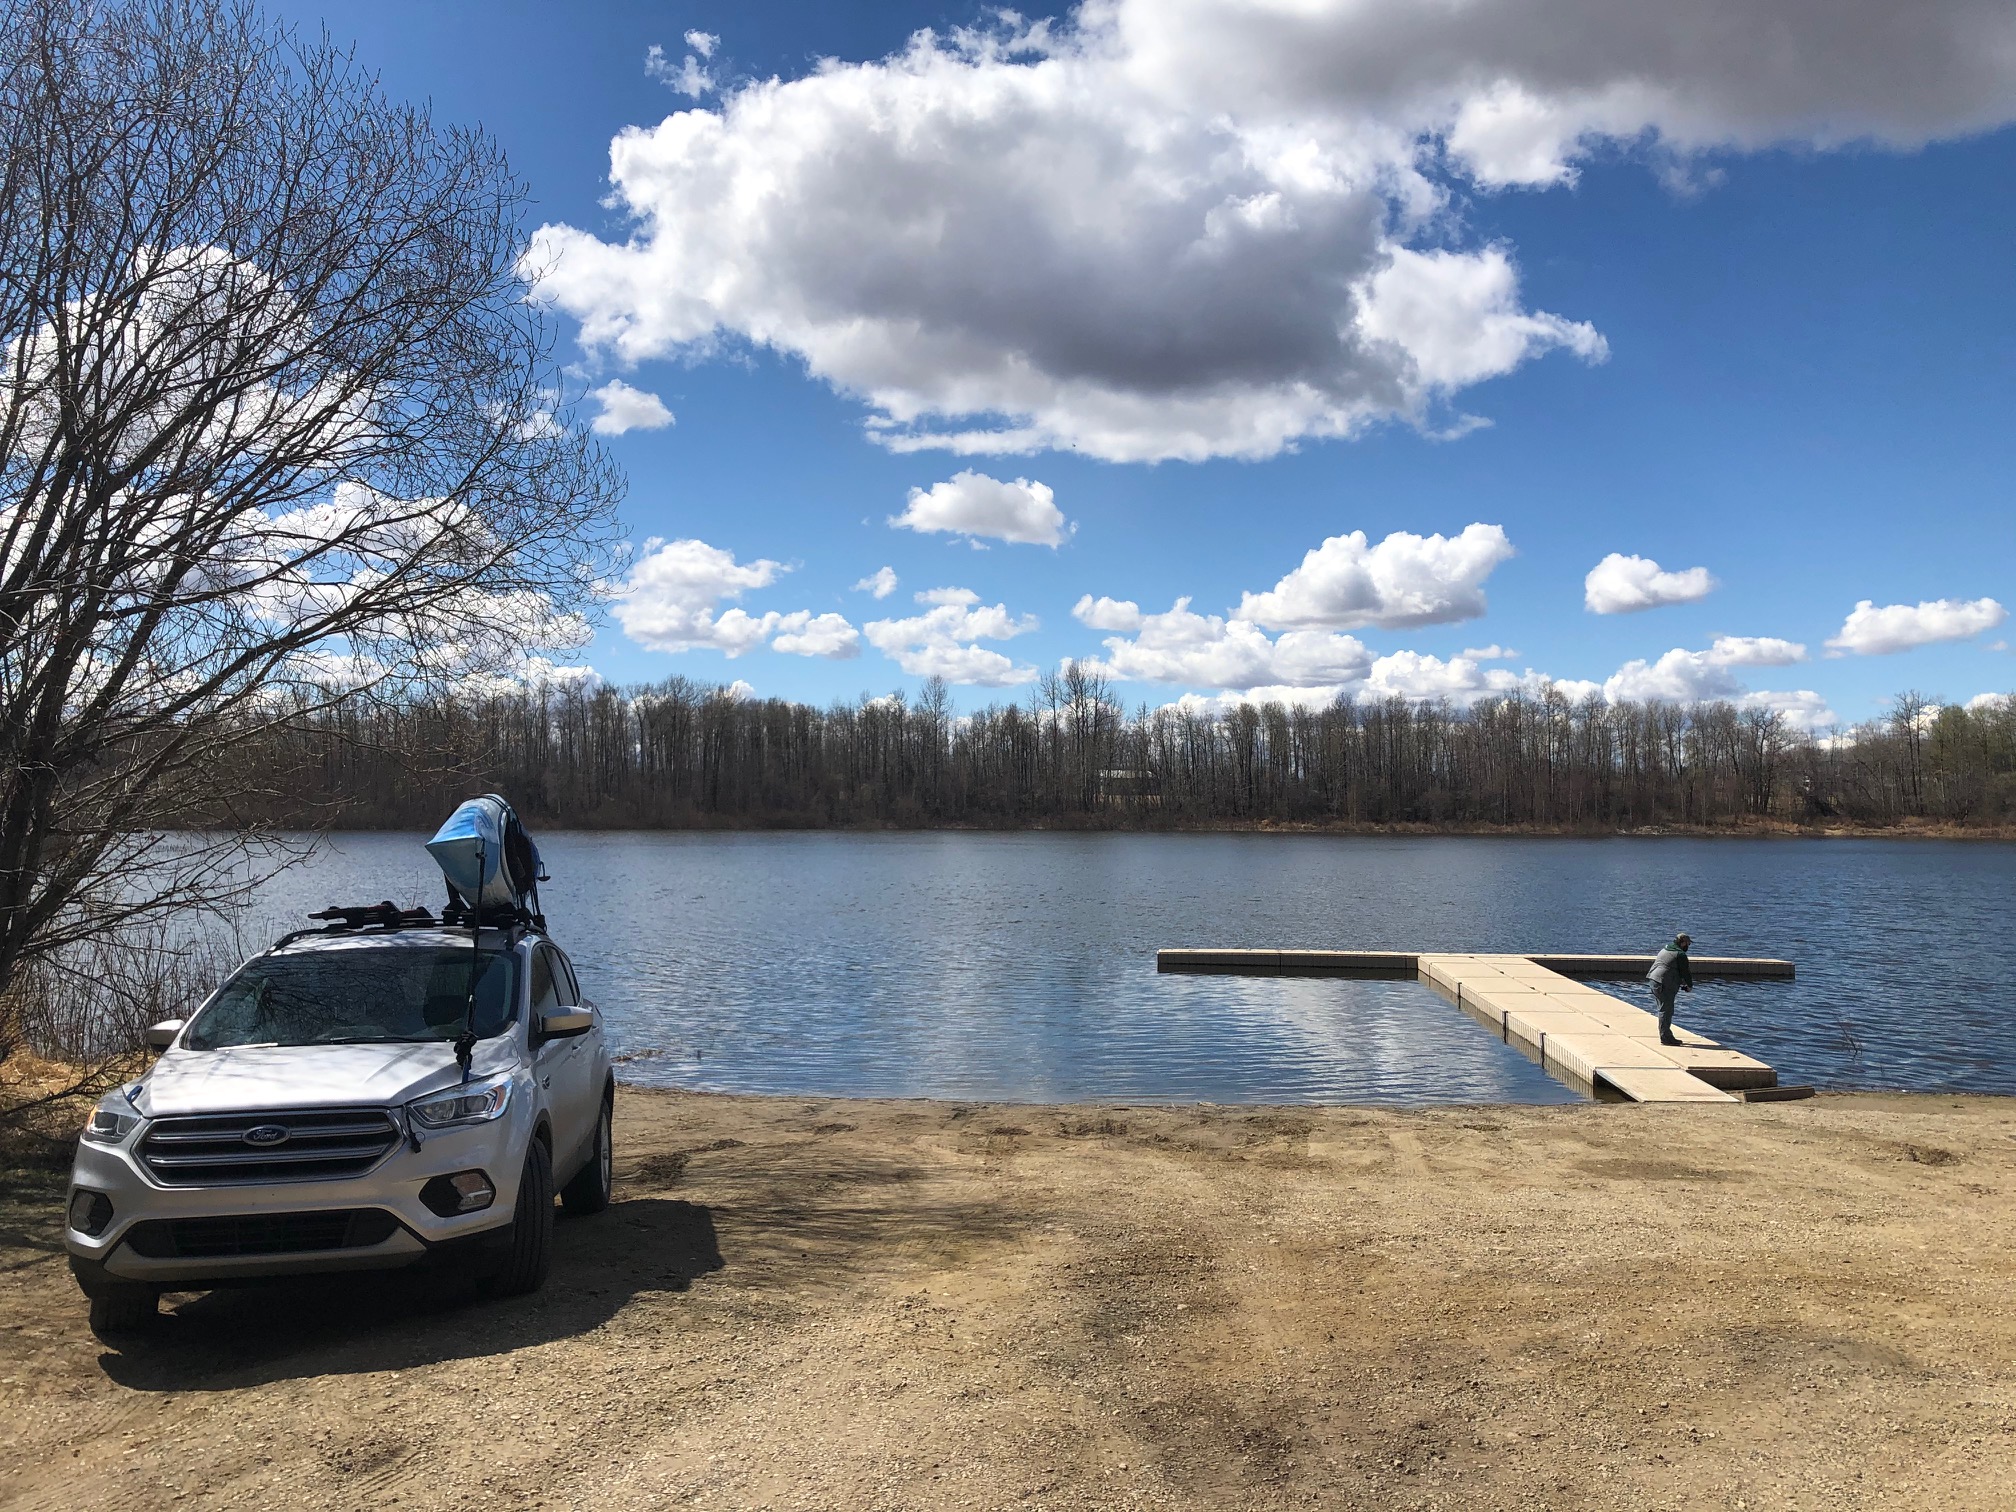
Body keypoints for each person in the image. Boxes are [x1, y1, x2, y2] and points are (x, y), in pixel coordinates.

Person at [1646, 932, 1694, 1046]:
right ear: (1682, 943)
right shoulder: (1680, 954)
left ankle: (1667, 1035)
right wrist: (1689, 985)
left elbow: (1670, 967)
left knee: (1664, 1009)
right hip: (1663, 984)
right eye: (1687, 943)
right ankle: (1666, 1037)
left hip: (1653, 979)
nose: (1688, 946)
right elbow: (1685, 972)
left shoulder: (1666, 949)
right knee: (1666, 1010)